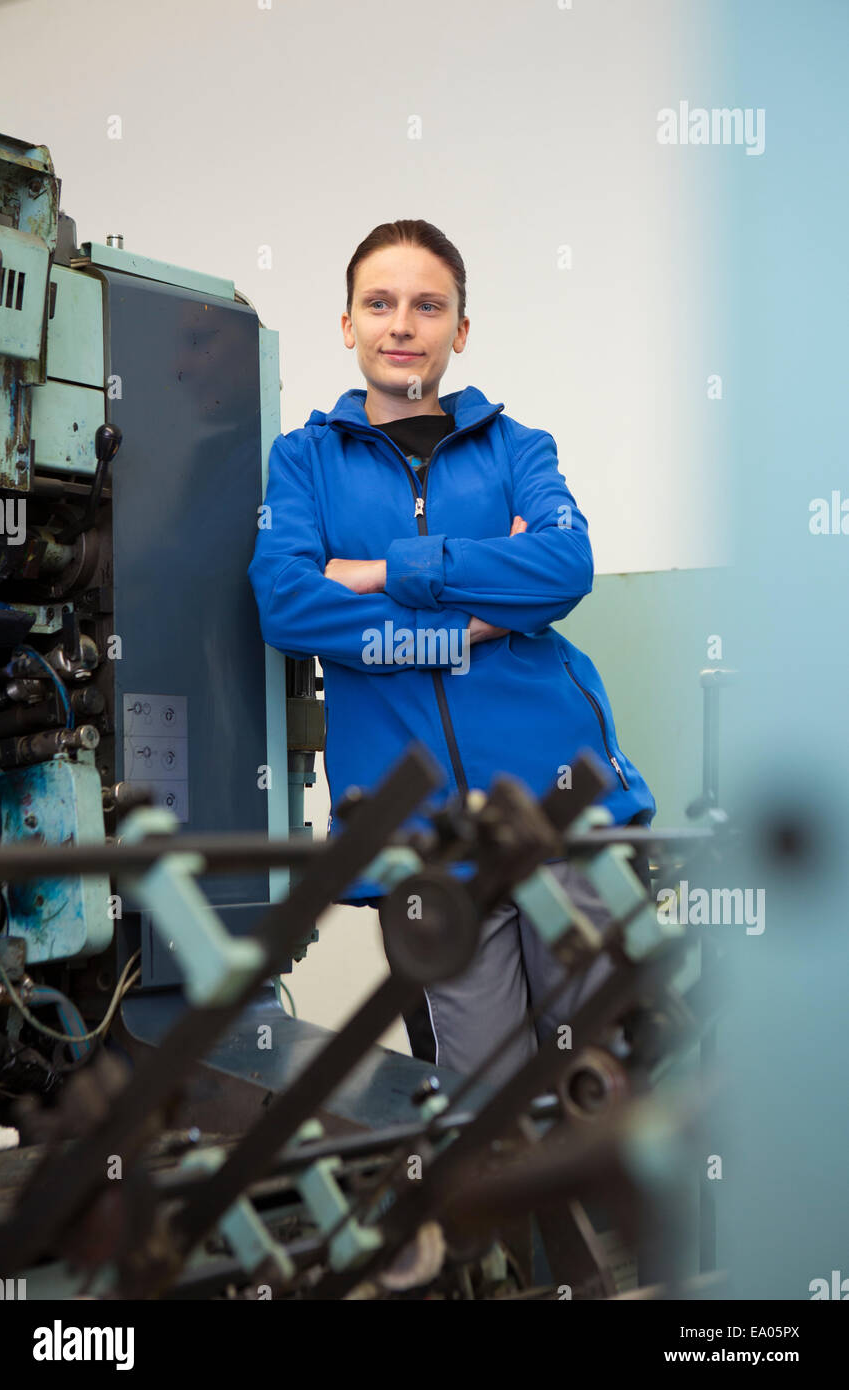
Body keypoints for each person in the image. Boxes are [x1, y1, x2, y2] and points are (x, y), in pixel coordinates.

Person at [248, 219, 656, 1088]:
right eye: (379, 303)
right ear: (347, 324)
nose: (402, 324)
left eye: (428, 306)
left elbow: (563, 565)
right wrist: (465, 621)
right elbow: (285, 600)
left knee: (601, 1093)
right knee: (478, 1113)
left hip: (564, 813)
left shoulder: (518, 447)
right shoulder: (304, 461)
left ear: (460, 330)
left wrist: (383, 570)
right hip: (423, 848)